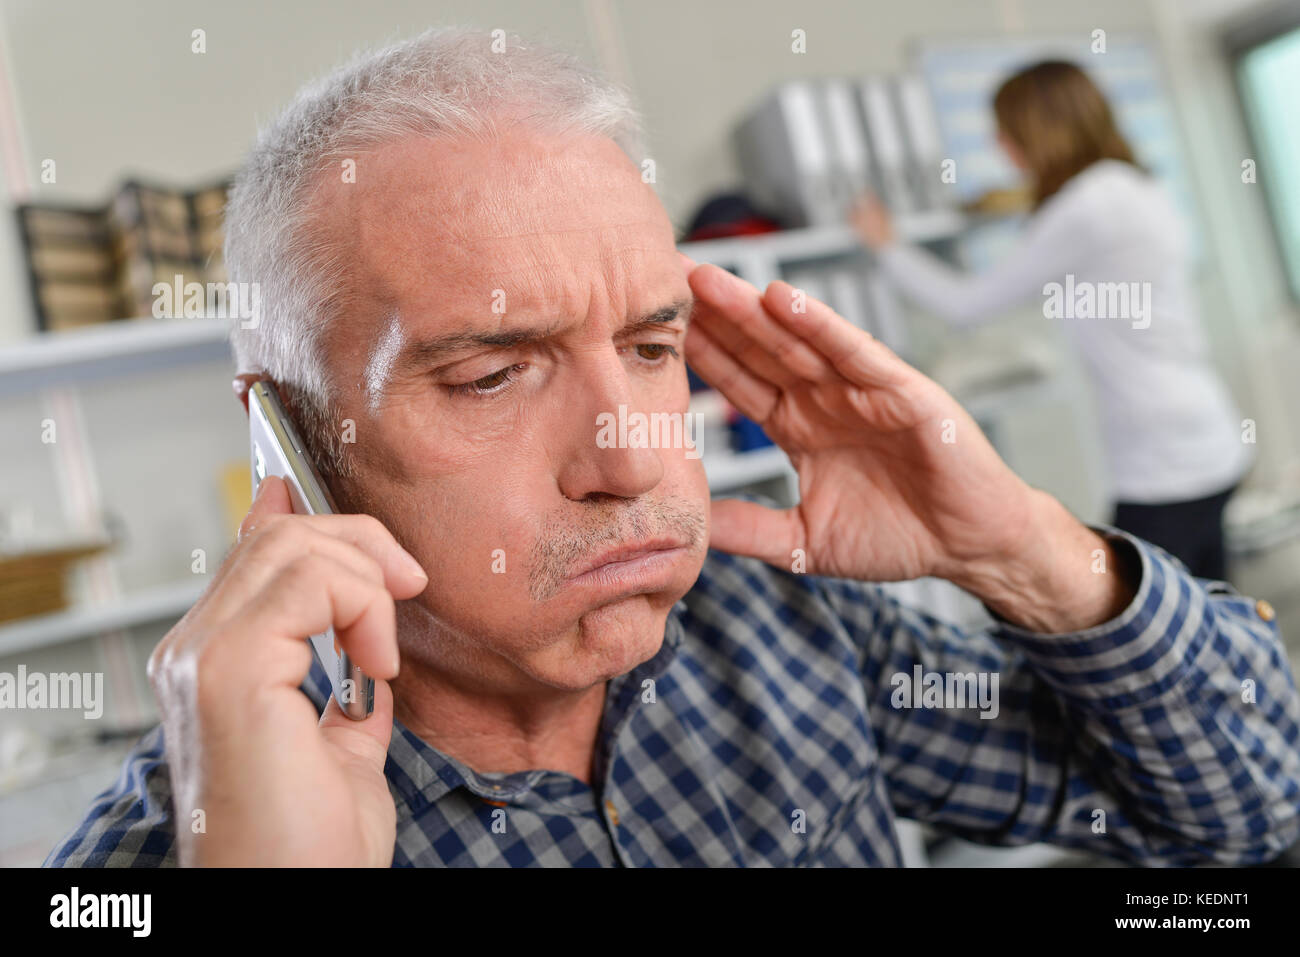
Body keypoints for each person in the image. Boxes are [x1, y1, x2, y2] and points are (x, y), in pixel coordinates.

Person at [46, 29, 1299, 867]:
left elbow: (1243, 827)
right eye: (491, 372)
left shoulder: (785, 631)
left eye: (652, 350)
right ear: (290, 438)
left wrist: (1031, 557)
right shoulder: (176, 848)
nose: (634, 459)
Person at [853, 60, 1252, 583]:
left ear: (1038, 130)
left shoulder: (1083, 206)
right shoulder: (1133, 186)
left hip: (1164, 461)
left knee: (1126, 624)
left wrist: (886, 245)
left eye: (1006, 128)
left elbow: (968, 304)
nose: (999, 142)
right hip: (1209, 436)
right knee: (1208, 618)